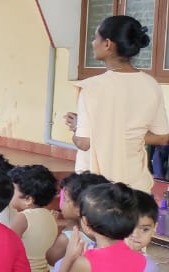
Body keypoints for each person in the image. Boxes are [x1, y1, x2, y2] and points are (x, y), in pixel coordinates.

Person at [65, 15, 169, 192]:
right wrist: (127, 135)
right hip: (136, 185)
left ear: (107, 44)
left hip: (97, 189)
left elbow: (84, 142)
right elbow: (162, 137)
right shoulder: (150, 84)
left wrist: (77, 126)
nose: (92, 43)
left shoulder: (91, 87)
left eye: (95, 37)